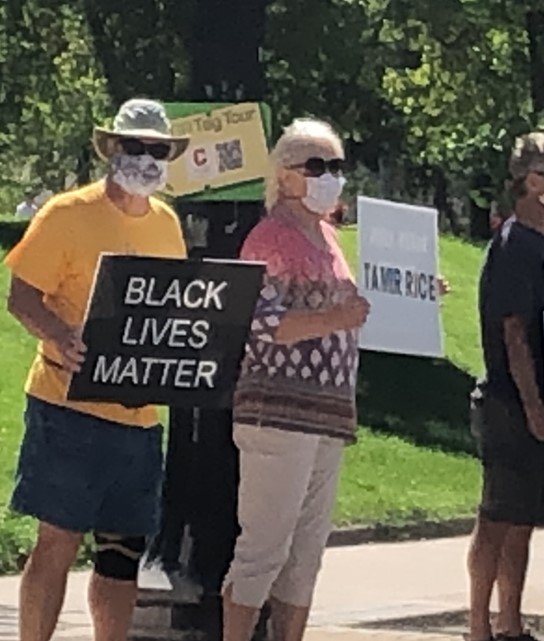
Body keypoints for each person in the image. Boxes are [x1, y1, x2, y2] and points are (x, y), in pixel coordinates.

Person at [4, 98, 190, 641]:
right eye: (135, 145)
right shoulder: (67, 214)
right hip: (67, 405)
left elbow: (172, 313)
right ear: (111, 149)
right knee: (57, 540)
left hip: (140, 415)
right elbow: (22, 296)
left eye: (158, 150)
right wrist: (59, 336)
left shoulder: (168, 224)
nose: (147, 158)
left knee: (123, 552)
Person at [221, 118, 372, 641]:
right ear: (283, 175)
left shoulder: (328, 237)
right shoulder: (269, 239)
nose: (329, 176)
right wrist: (336, 318)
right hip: (277, 414)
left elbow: (349, 309)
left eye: (336, 165)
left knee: (306, 555)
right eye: (315, 165)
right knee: (263, 549)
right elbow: (261, 324)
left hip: (327, 415)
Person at [467, 132, 544, 641]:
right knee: (497, 517)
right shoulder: (515, 245)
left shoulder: (543, 248)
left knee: (522, 522)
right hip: (509, 404)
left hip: (542, 404)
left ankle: (510, 623)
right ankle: (479, 624)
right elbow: (513, 333)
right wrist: (534, 406)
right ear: (534, 181)